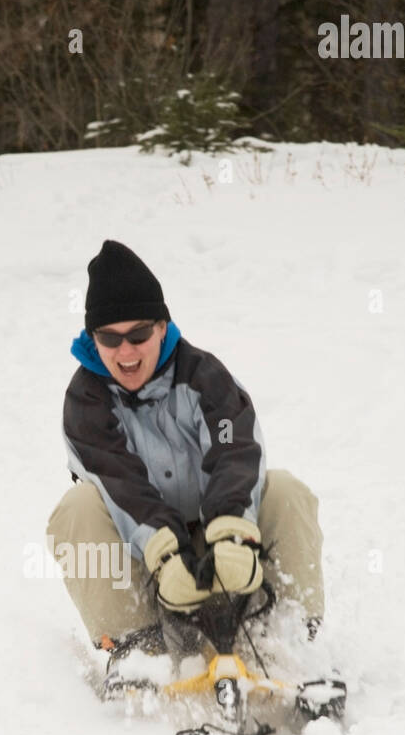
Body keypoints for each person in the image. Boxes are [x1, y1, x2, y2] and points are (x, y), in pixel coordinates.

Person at [47, 240, 324, 678]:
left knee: (286, 489)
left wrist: (233, 536)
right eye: (109, 338)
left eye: (139, 334)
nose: (126, 352)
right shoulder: (86, 401)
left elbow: (235, 454)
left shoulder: (204, 377)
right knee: (76, 509)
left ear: (162, 326)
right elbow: (119, 485)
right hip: (149, 562)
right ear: (92, 339)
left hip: (224, 551)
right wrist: (163, 553)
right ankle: (137, 655)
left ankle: (291, 644)